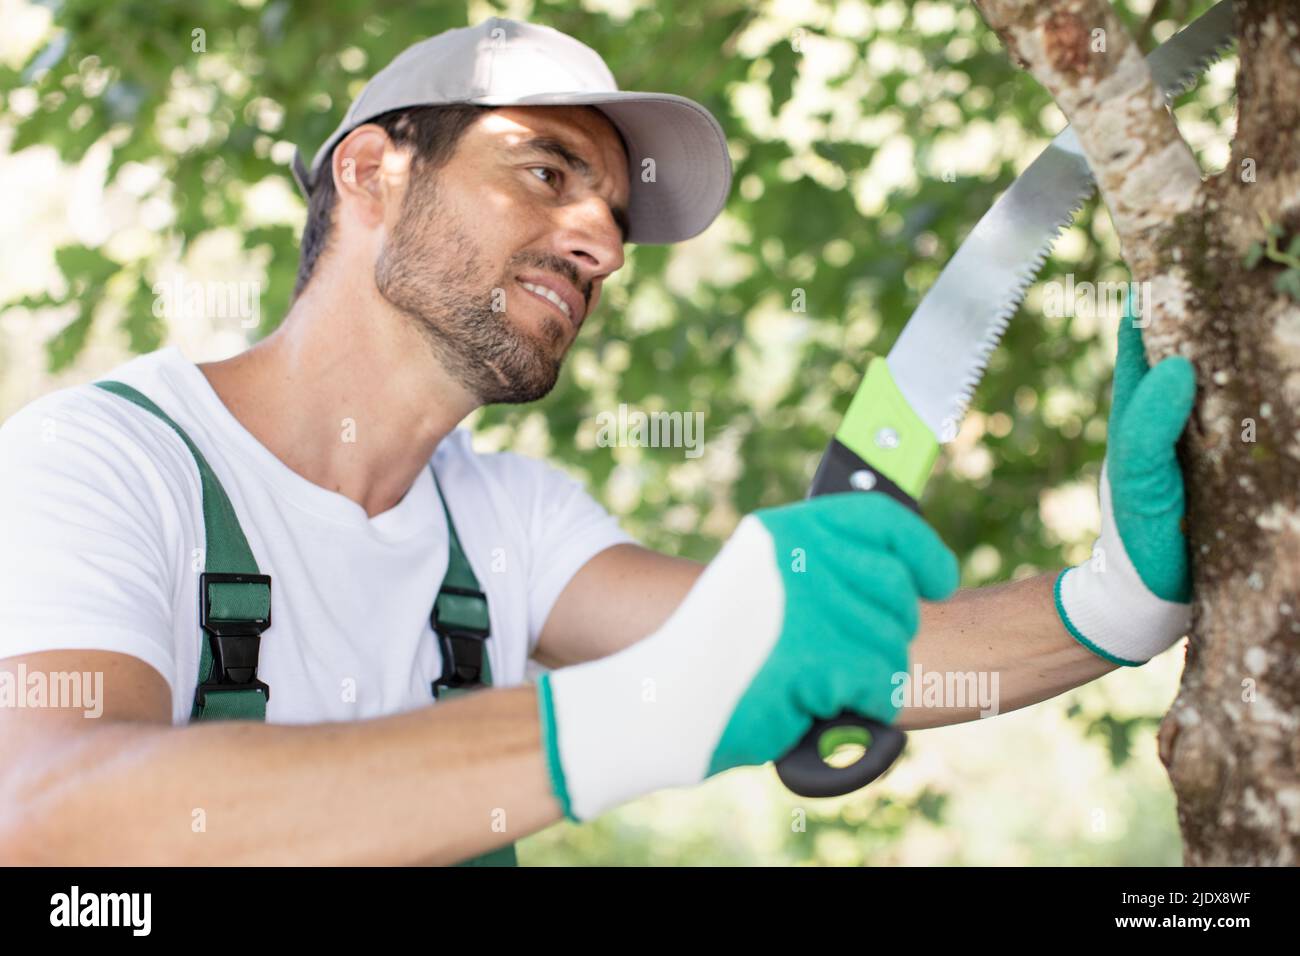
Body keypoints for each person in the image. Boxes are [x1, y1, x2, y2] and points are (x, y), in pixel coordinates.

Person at [0, 18, 1195, 865]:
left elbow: (853, 654)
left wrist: (1124, 595)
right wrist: (635, 715)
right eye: (546, 169)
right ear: (372, 169)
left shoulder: (509, 519)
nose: (604, 246)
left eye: (616, 216)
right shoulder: (105, 463)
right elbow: (51, 816)